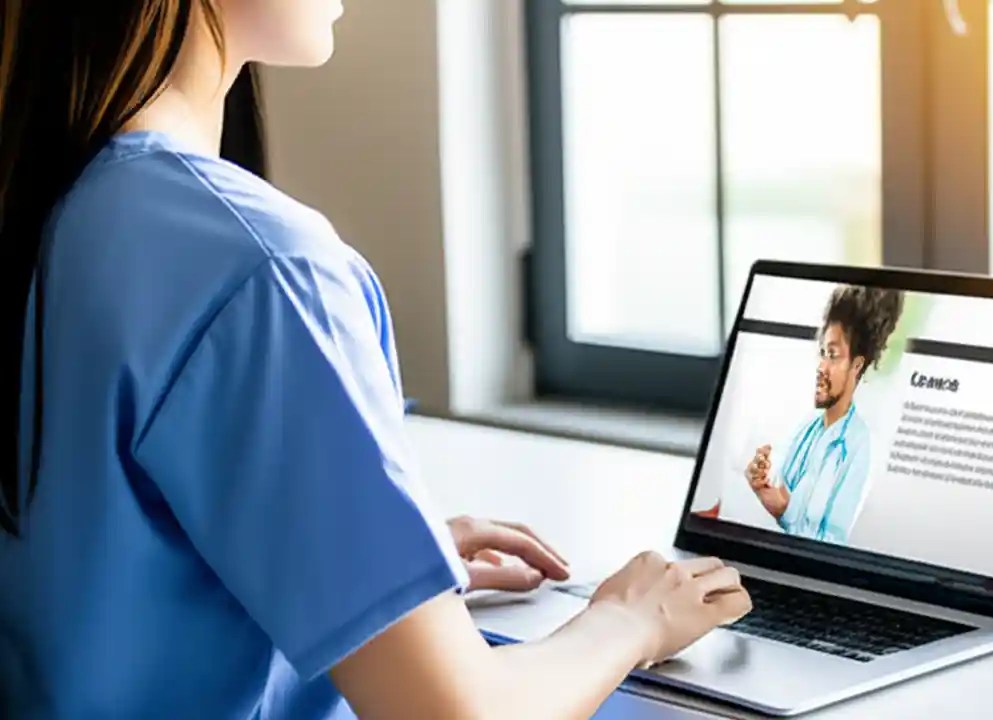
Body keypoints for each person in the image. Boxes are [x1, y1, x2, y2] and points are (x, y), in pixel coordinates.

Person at [0, 1, 750, 718]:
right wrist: (629, 620)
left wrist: (370, 572)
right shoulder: (263, 269)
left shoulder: (53, 209)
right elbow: (460, 712)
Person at [743, 285, 904, 545]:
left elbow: (833, 545)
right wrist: (763, 485)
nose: (821, 367)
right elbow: (783, 495)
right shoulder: (806, 429)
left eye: (832, 355)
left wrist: (784, 511)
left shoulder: (859, 445)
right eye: (822, 354)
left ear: (856, 365)